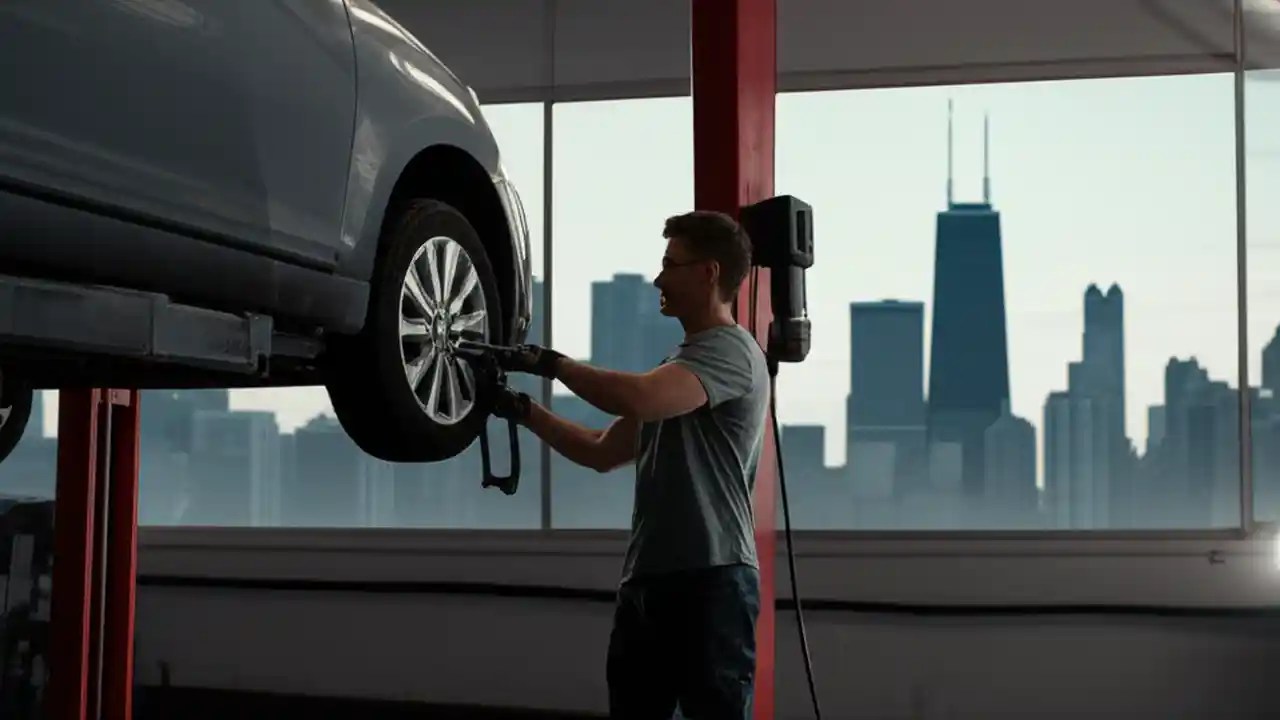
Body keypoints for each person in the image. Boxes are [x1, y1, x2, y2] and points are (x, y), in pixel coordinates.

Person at [490, 210, 771, 719]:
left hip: (712, 579)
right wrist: (523, 410)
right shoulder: (679, 369)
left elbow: (637, 398)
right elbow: (601, 450)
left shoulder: (732, 352)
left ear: (709, 273)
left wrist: (552, 364)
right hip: (649, 579)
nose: (659, 279)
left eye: (670, 265)